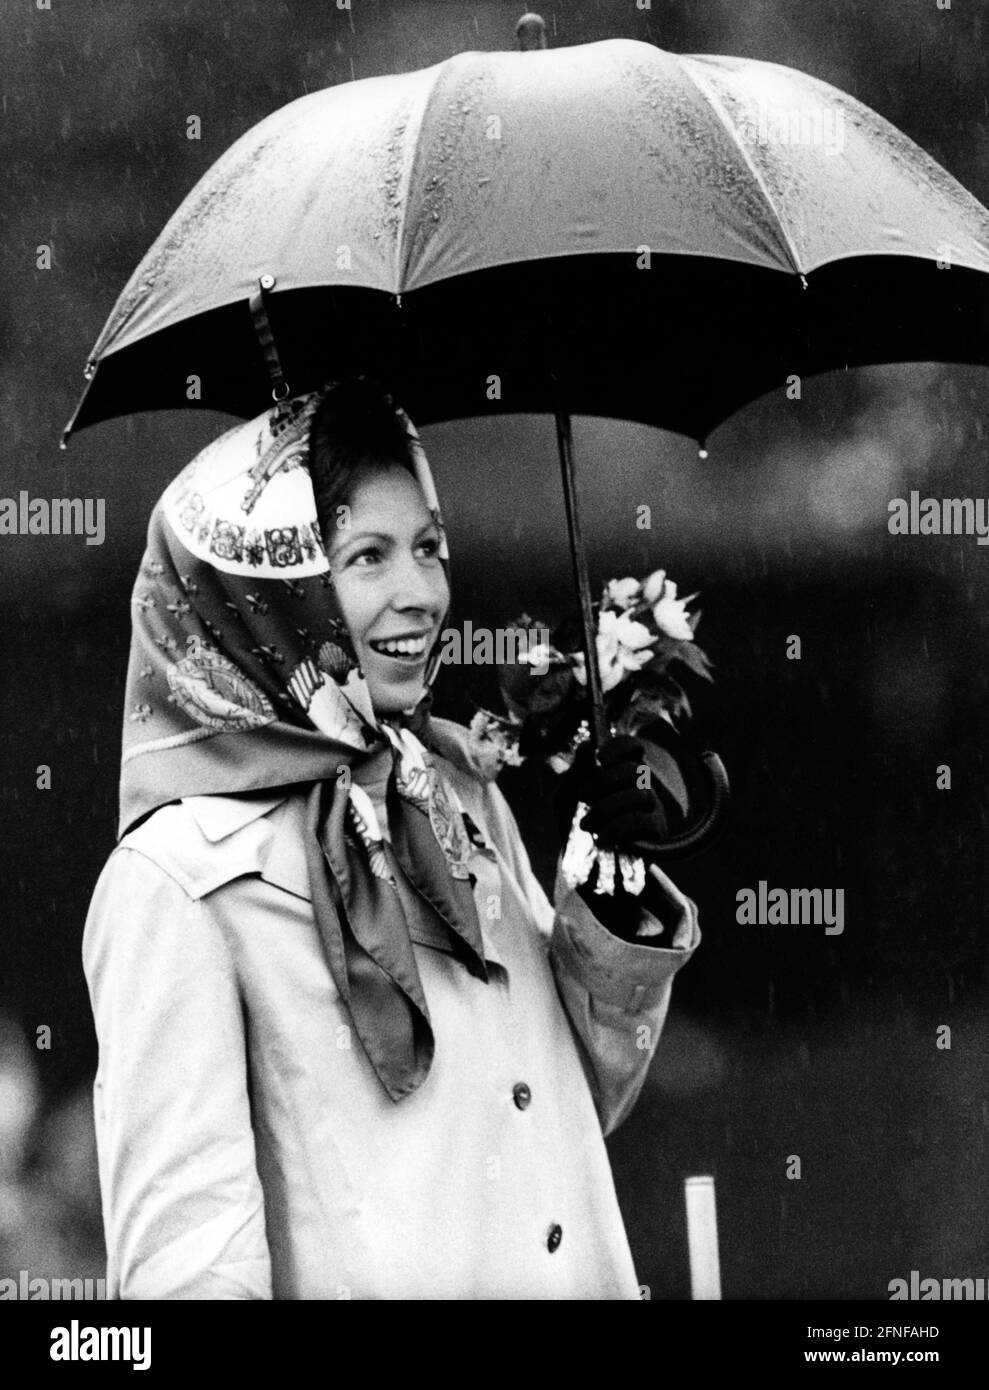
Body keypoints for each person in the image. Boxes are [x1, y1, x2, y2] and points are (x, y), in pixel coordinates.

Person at [82, 377, 700, 1300]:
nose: (420, 593)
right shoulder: (176, 880)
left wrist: (607, 899)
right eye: (366, 557)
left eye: (428, 547)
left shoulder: (449, 790)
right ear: (265, 591)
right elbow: (189, 1269)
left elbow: (562, 1110)